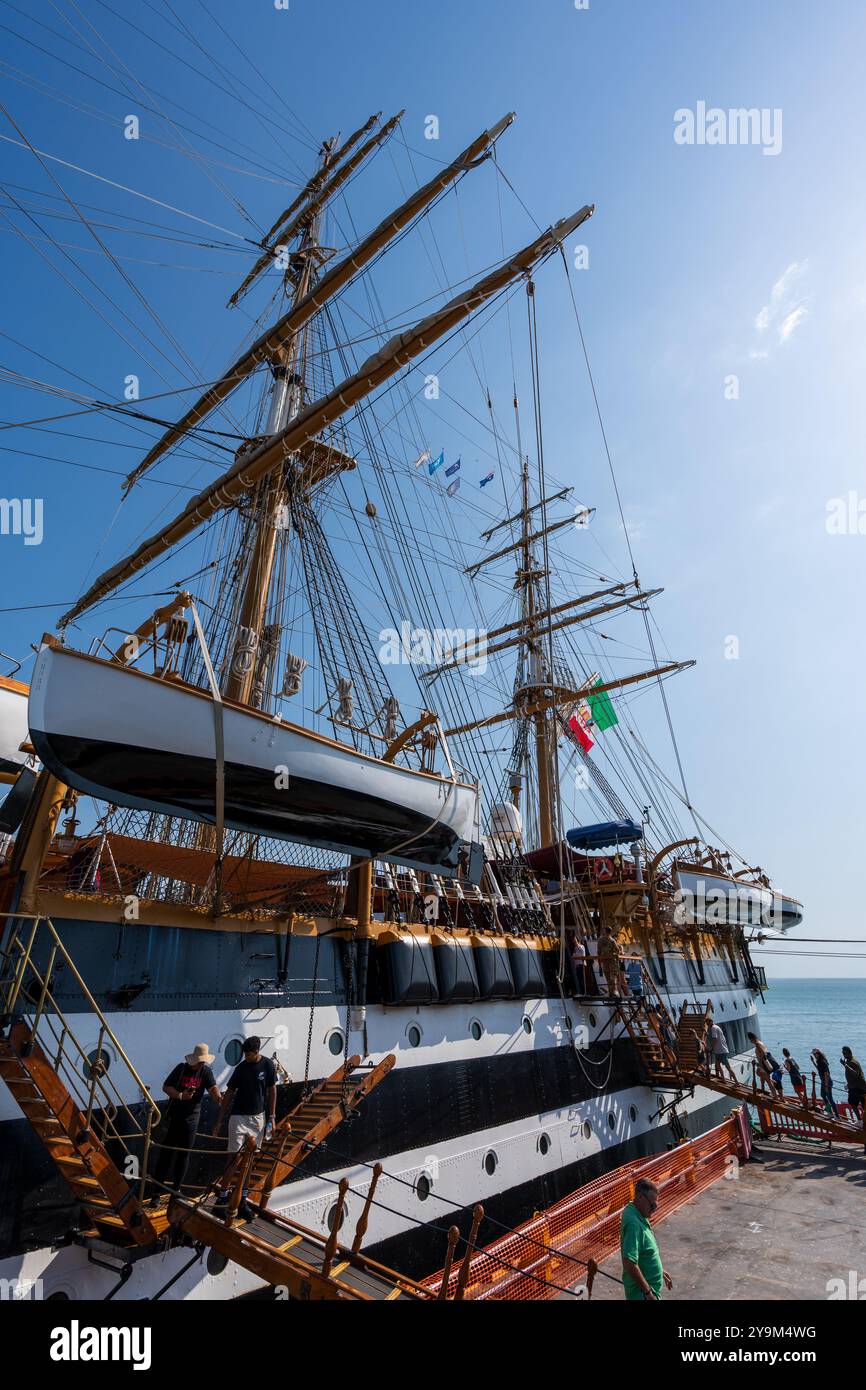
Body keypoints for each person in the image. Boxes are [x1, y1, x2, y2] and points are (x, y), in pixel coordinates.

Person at [153, 1043, 221, 1194]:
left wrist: (218, 1097)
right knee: (167, 1154)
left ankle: (175, 1191)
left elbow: (212, 1087)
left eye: (204, 1061)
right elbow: (166, 1087)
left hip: (191, 1118)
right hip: (174, 1116)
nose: (202, 1063)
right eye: (201, 1061)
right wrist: (181, 1096)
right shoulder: (181, 1068)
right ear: (195, 1059)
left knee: (184, 1155)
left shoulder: (205, 1072)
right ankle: (156, 1192)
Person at [213, 1036, 277, 1152]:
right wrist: (219, 1121)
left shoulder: (268, 1065)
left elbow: (272, 1090)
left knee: (253, 1154)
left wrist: (272, 1117)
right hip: (238, 1116)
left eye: (248, 1055)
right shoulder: (241, 1068)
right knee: (233, 1154)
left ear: (257, 1052)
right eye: (245, 1054)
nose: (246, 1057)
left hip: (257, 1117)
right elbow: (229, 1093)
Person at [620, 1177, 673, 1301]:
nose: (654, 1209)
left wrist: (659, 1271)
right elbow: (629, 1262)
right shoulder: (633, 1223)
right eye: (652, 1205)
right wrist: (648, 1293)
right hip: (642, 1295)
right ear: (639, 1197)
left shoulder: (637, 1213)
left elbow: (644, 1253)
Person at [747, 1032, 783, 1096]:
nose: (750, 1042)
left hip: (766, 1063)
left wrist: (761, 1066)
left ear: (752, 1038)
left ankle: (775, 1096)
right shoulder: (761, 1042)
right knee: (763, 1076)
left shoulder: (757, 1044)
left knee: (765, 1078)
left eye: (750, 1040)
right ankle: (773, 1086)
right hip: (771, 1060)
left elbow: (763, 1055)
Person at [706, 1020, 737, 1084]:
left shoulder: (713, 1028)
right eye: (707, 1023)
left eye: (708, 1023)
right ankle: (723, 1079)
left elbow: (715, 1039)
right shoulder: (716, 1027)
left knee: (728, 1067)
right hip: (719, 1051)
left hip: (721, 1051)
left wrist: (712, 1048)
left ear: (711, 1022)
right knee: (717, 1064)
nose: (707, 1024)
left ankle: (736, 1082)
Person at [811, 1048, 840, 1118]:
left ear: (818, 1053)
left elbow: (826, 1074)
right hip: (823, 1082)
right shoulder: (819, 1061)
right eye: (813, 1054)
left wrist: (826, 1085)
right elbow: (819, 1069)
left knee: (830, 1098)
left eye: (815, 1054)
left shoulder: (822, 1061)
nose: (814, 1055)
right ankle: (829, 1112)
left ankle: (837, 1116)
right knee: (823, 1095)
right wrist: (813, 1062)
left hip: (827, 1082)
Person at [840, 1047, 866, 1118]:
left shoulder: (853, 1062)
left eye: (845, 1053)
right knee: (854, 1103)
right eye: (843, 1053)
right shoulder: (849, 1061)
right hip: (855, 1086)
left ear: (850, 1053)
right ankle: (860, 1121)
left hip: (858, 1087)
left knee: (856, 1104)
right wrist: (848, 1084)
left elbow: (855, 1074)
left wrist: (845, 1065)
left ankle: (861, 1121)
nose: (844, 1055)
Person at [597, 926, 621, 998]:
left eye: (604, 932)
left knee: (612, 979)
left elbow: (617, 951)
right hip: (605, 962)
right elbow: (598, 951)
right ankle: (611, 993)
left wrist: (612, 955)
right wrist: (600, 961)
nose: (602, 933)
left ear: (608, 933)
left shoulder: (612, 941)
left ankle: (615, 992)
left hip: (612, 963)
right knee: (607, 978)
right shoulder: (600, 941)